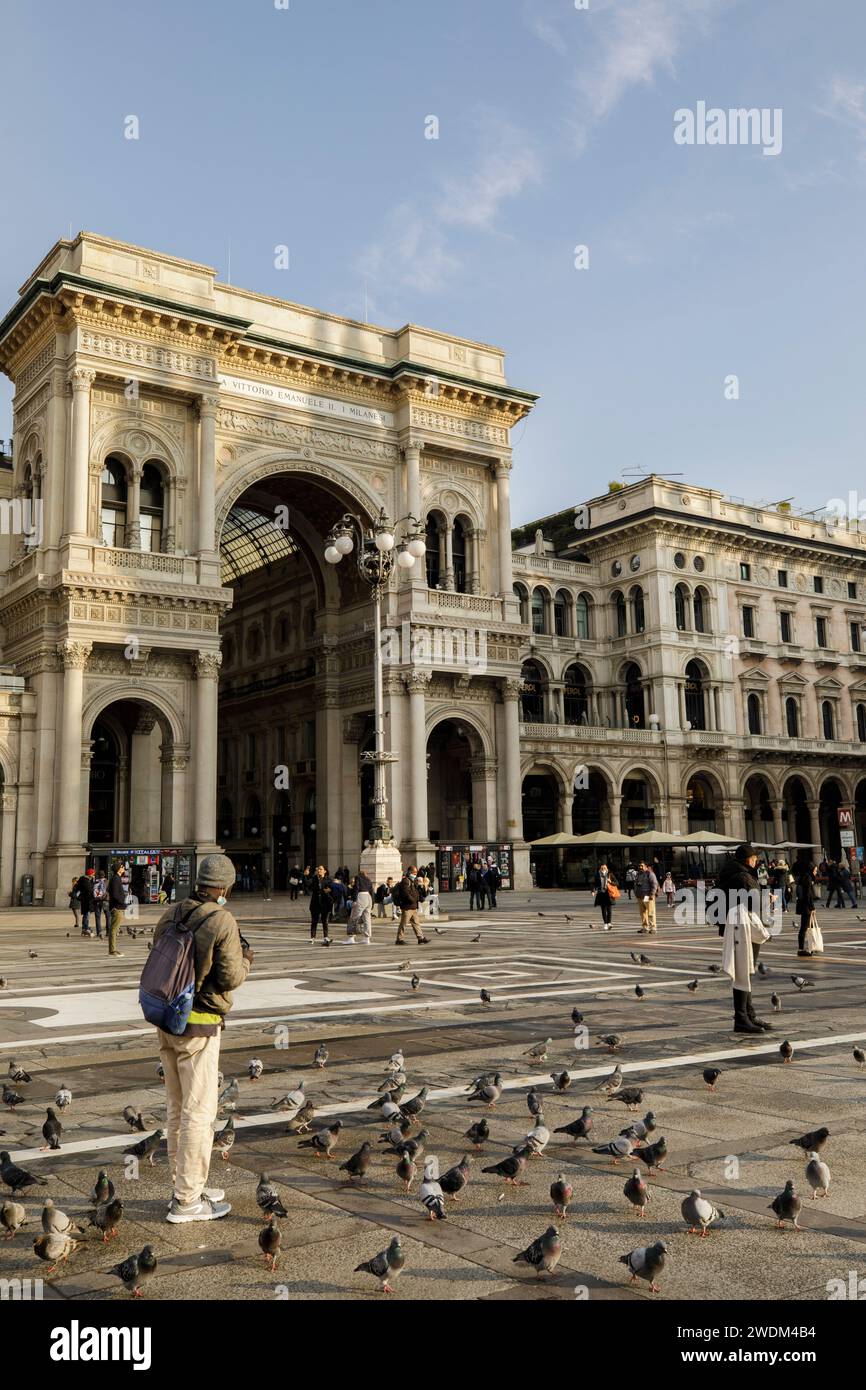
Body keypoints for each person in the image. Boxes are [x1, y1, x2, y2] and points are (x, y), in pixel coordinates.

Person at [153, 853, 252, 1224]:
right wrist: (247, 959)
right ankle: (187, 1201)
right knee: (200, 1112)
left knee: (178, 1108)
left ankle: (185, 1186)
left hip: (166, 1021)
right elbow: (229, 978)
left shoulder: (174, 912)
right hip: (200, 1024)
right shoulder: (221, 919)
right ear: (224, 887)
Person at [718, 843, 773, 1034]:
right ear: (748, 859)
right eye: (755, 858)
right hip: (743, 928)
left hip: (738, 926)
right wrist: (768, 899)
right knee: (743, 971)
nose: (757, 860)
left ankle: (749, 1014)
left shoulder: (733, 872)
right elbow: (752, 902)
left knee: (746, 970)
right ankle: (741, 1018)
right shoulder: (742, 875)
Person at [394, 866, 429, 945]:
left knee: (416, 923)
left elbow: (417, 892)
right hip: (407, 906)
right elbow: (405, 893)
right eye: (414, 873)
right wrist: (413, 900)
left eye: (416, 873)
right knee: (403, 923)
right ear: (409, 872)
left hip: (413, 906)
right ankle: (399, 939)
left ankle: (421, 938)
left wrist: (421, 886)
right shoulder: (405, 881)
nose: (415, 874)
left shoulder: (413, 881)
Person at [792, 857, 817, 958]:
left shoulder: (803, 877)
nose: (816, 872)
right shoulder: (807, 878)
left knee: (807, 927)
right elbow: (808, 895)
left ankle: (808, 947)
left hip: (803, 905)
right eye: (815, 870)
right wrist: (812, 907)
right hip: (806, 906)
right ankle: (802, 949)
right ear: (811, 870)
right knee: (804, 928)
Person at [308, 865, 334, 944]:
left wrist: (330, 890)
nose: (319, 870)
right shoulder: (314, 878)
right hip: (315, 903)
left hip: (324, 903)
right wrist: (305, 876)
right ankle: (312, 937)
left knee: (325, 921)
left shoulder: (328, 879)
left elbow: (332, 888)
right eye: (318, 869)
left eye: (321, 869)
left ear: (325, 871)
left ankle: (326, 937)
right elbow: (308, 886)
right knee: (314, 921)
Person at [348, 868, 373, 944]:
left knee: (353, 917)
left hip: (361, 896)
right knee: (367, 919)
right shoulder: (368, 879)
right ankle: (367, 938)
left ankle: (351, 938)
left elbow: (356, 888)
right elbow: (372, 891)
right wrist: (372, 904)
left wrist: (354, 899)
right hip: (369, 897)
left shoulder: (358, 877)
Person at [107, 862, 127, 957]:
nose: (124, 868)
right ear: (119, 868)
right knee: (114, 929)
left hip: (117, 906)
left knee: (115, 929)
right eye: (122, 867)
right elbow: (115, 894)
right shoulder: (115, 879)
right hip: (117, 907)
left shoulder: (116, 878)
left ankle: (113, 949)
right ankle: (112, 950)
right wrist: (122, 902)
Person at [634, 860, 659, 935]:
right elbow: (636, 884)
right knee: (643, 913)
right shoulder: (638, 874)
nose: (640, 867)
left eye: (642, 866)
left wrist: (652, 894)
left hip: (647, 896)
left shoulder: (650, 874)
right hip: (640, 896)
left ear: (646, 866)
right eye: (639, 866)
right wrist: (636, 893)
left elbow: (654, 884)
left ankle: (653, 927)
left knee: (650, 912)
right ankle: (645, 927)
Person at [593, 862, 617, 927]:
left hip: (609, 894)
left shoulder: (610, 874)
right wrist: (593, 891)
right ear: (600, 869)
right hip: (601, 894)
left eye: (604, 868)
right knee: (603, 910)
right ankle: (605, 923)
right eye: (602, 868)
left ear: (607, 868)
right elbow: (595, 884)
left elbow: (617, 883)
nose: (603, 869)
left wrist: (611, 882)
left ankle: (609, 922)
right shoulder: (597, 875)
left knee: (609, 910)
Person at [92, 870, 108, 938]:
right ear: (104, 875)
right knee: (108, 916)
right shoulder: (107, 881)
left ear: (98, 875)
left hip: (97, 901)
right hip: (105, 901)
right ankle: (108, 931)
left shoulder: (95, 882)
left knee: (97, 917)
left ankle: (99, 932)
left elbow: (92, 890)